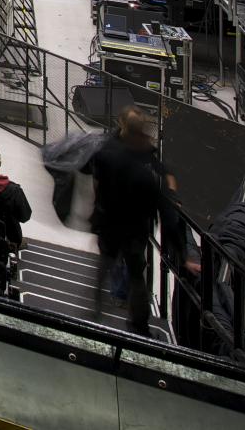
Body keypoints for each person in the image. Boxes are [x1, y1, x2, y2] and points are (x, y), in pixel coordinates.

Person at [87, 107, 174, 333]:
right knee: (135, 274)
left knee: (106, 266)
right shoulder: (144, 156)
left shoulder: (108, 149)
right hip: (135, 226)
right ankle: (138, 324)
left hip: (112, 222)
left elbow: (96, 179)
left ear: (122, 124)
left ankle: (97, 311)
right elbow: (158, 195)